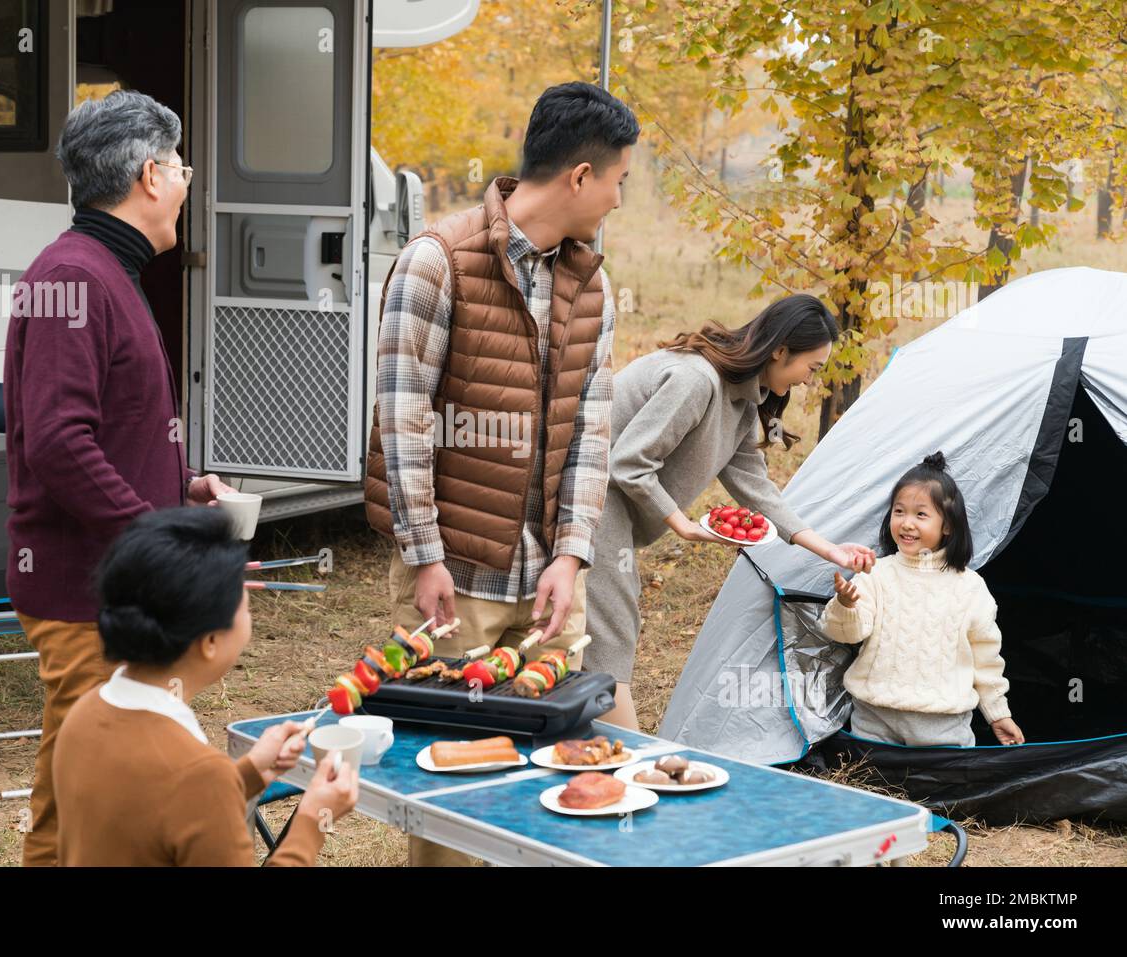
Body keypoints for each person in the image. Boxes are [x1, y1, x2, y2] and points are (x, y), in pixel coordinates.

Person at [363, 81, 639, 865]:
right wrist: (425, 556)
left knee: (557, 784)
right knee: (454, 797)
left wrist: (572, 554)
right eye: (618, 180)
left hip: (551, 584)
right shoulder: (435, 262)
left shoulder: (592, 283)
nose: (619, 199)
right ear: (580, 176)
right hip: (455, 580)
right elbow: (402, 422)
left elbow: (591, 429)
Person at [3, 90, 233, 866]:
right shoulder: (75, 275)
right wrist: (154, 532)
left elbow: (106, 427)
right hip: (81, 592)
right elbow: (59, 444)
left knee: (68, 792)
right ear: (149, 175)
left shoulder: (104, 269)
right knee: (79, 802)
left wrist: (181, 485)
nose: (187, 182)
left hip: (104, 584)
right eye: (182, 167)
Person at [585, 294, 877, 729]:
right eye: (812, 368)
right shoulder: (697, 380)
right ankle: (630, 757)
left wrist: (830, 551)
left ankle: (569, 740)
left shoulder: (742, 399)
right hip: (588, 502)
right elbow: (627, 463)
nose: (810, 380)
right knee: (610, 638)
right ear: (780, 350)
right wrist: (682, 525)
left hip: (606, 507)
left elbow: (756, 488)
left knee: (581, 634)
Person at [52, 507, 359, 866]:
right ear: (210, 641)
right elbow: (189, 794)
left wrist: (249, 773)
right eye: (246, 608)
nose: (251, 617)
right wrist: (311, 822)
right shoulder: (199, 776)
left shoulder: (83, 715)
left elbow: (155, 812)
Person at [819, 452, 1025, 748]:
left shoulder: (969, 587)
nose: (906, 523)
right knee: (869, 777)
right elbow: (846, 633)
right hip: (874, 719)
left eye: (920, 514)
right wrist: (846, 606)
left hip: (942, 726)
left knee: (941, 780)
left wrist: (998, 714)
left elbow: (986, 657)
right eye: (899, 511)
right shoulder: (876, 573)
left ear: (947, 525)